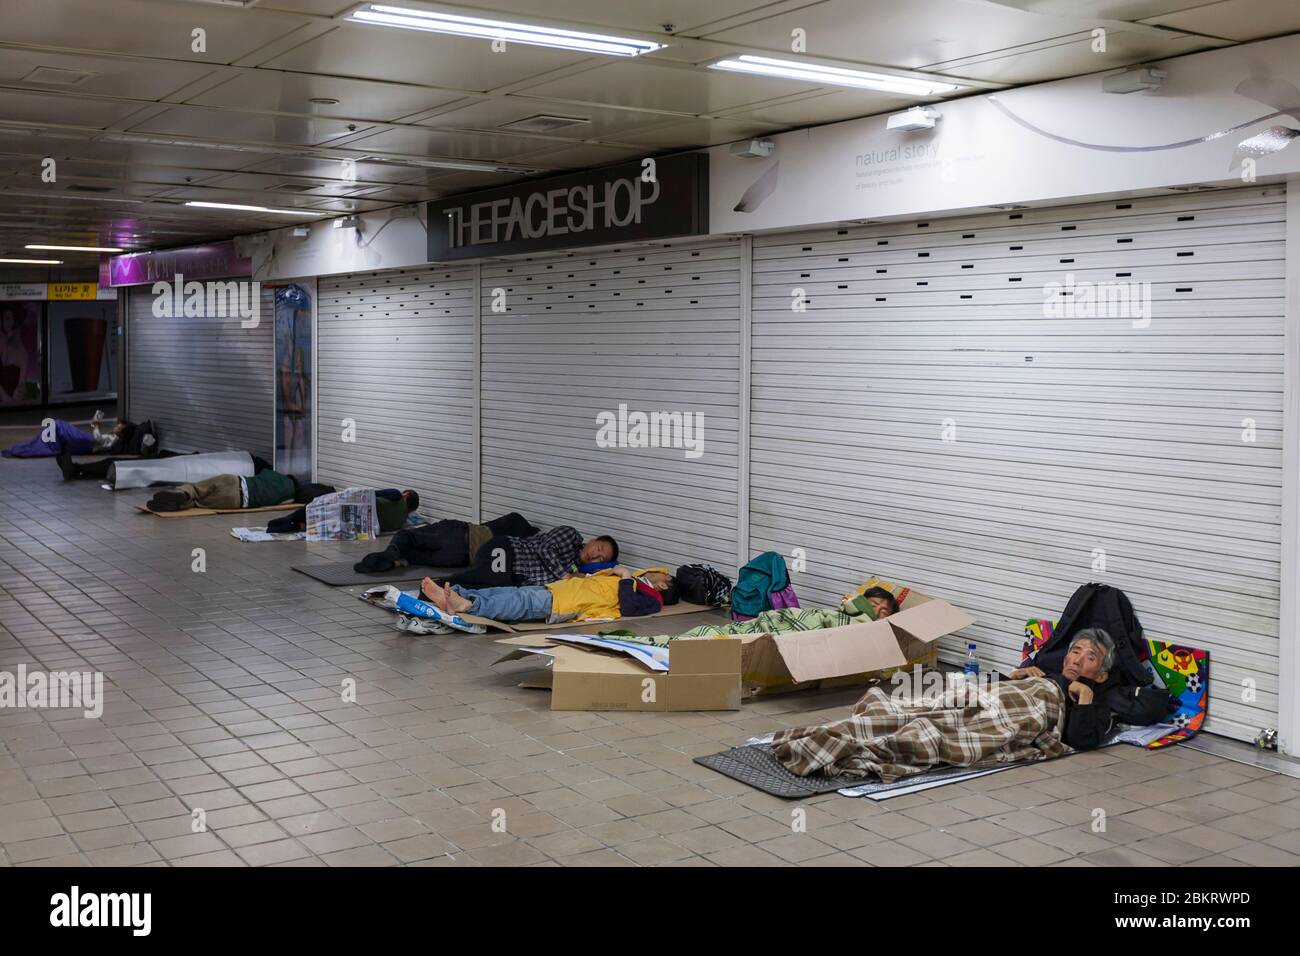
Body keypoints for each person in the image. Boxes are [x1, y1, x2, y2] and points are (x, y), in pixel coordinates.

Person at [420, 566, 678, 624]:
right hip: (561, 589)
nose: (658, 571)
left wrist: (624, 578)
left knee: (519, 603)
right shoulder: (638, 578)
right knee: (508, 591)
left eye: (664, 575)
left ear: (664, 586)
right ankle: (455, 595)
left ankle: (466, 605)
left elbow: (630, 607)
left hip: (567, 602)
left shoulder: (651, 599)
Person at [1008, 627, 1116, 750]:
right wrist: (1013, 675)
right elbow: (989, 688)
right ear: (1065, 660)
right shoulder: (1044, 676)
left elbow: (1080, 741)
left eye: (1090, 658)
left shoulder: (1097, 706)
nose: (1077, 661)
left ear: (1101, 676)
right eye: (1075, 652)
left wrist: (1084, 696)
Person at [353, 511, 540, 573]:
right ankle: (394, 558)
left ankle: (392, 554)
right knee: (416, 556)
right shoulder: (520, 545)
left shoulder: (513, 519)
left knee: (408, 537)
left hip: (458, 533)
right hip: (461, 558)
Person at [436, 525, 619, 589]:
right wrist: (566, 576)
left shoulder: (575, 571)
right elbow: (545, 549)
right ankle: (437, 584)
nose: (595, 555)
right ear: (593, 540)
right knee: (490, 578)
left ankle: (445, 590)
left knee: (489, 588)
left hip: (514, 577)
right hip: (508, 550)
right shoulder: (570, 535)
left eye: (600, 559)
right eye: (599, 548)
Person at [4, 411, 156, 460]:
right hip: (88, 442)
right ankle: (43, 443)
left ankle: (42, 444)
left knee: (60, 426)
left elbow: (97, 439)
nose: (115, 427)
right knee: (59, 426)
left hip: (89, 442)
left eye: (119, 427)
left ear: (122, 433)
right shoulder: (114, 439)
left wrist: (96, 425)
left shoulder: (114, 440)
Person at [146, 465, 299, 513]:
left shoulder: (276, 477)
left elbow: (262, 472)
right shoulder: (289, 497)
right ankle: (178, 505)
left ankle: (181, 494)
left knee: (196, 489)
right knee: (199, 503)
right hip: (236, 502)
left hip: (233, 483)